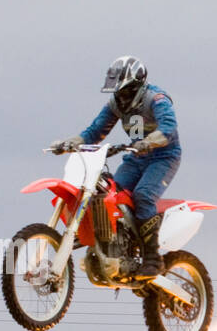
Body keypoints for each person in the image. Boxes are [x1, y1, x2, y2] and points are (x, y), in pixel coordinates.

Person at [53, 55, 182, 278]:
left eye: (124, 90)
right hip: (135, 157)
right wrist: (70, 143)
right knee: (107, 193)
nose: (120, 96)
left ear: (136, 85)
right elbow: (95, 132)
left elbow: (169, 127)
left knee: (142, 196)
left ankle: (153, 258)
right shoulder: (116, 103)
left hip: (163, 157)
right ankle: (113, 243)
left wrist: (149, 142)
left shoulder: (156, 99)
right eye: (117, 91)